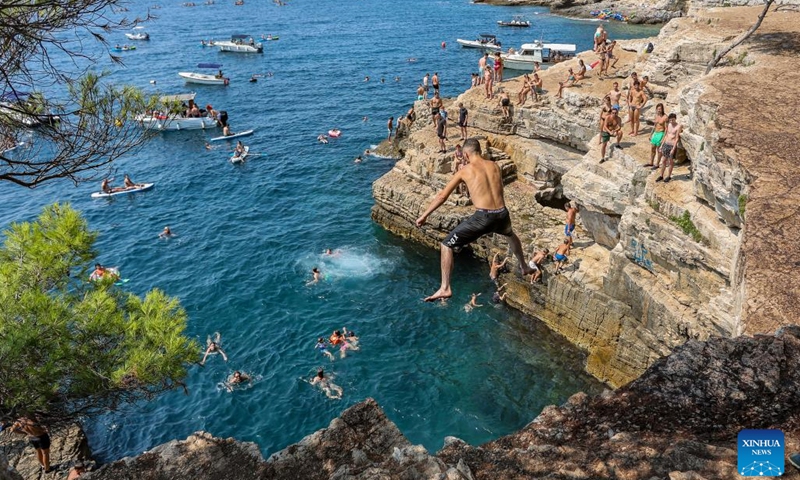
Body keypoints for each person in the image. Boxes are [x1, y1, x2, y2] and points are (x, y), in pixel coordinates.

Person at [415, 138, 535, 301]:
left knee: (446, 244)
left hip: (483, 217)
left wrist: (424, 215)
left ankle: (445, 288)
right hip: (502, 213)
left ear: (465, 154)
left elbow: (442, 196)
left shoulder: (465, 170)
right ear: (480, 151)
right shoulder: (495, 166)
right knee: (510, 234)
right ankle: (524, 266)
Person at [656, 113, 682, 183]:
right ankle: (661, 175)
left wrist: (673, 149)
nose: (671, 121)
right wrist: (661, 145)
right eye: (670, 120)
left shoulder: (678, 126)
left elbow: (677, 138)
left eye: (672, 120)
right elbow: (666, 135)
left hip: (672, 145)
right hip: (666, 143)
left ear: (675, 118)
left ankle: (669, 176)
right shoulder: (669, 124)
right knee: (663, 160)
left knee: (671, 162)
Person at [648, 103, 667, 168]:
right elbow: (654, 126)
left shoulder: (665, 117)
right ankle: (651, 162)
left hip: (661, 133)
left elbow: (666, 129)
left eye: (660, 109)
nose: (659, 110)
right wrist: (651, 134)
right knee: (652, 148)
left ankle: (657, 164)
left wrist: (663, 139)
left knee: (659, 149)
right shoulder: (656, 116)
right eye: (658, 109)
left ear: (662, 109)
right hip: (655, 133)